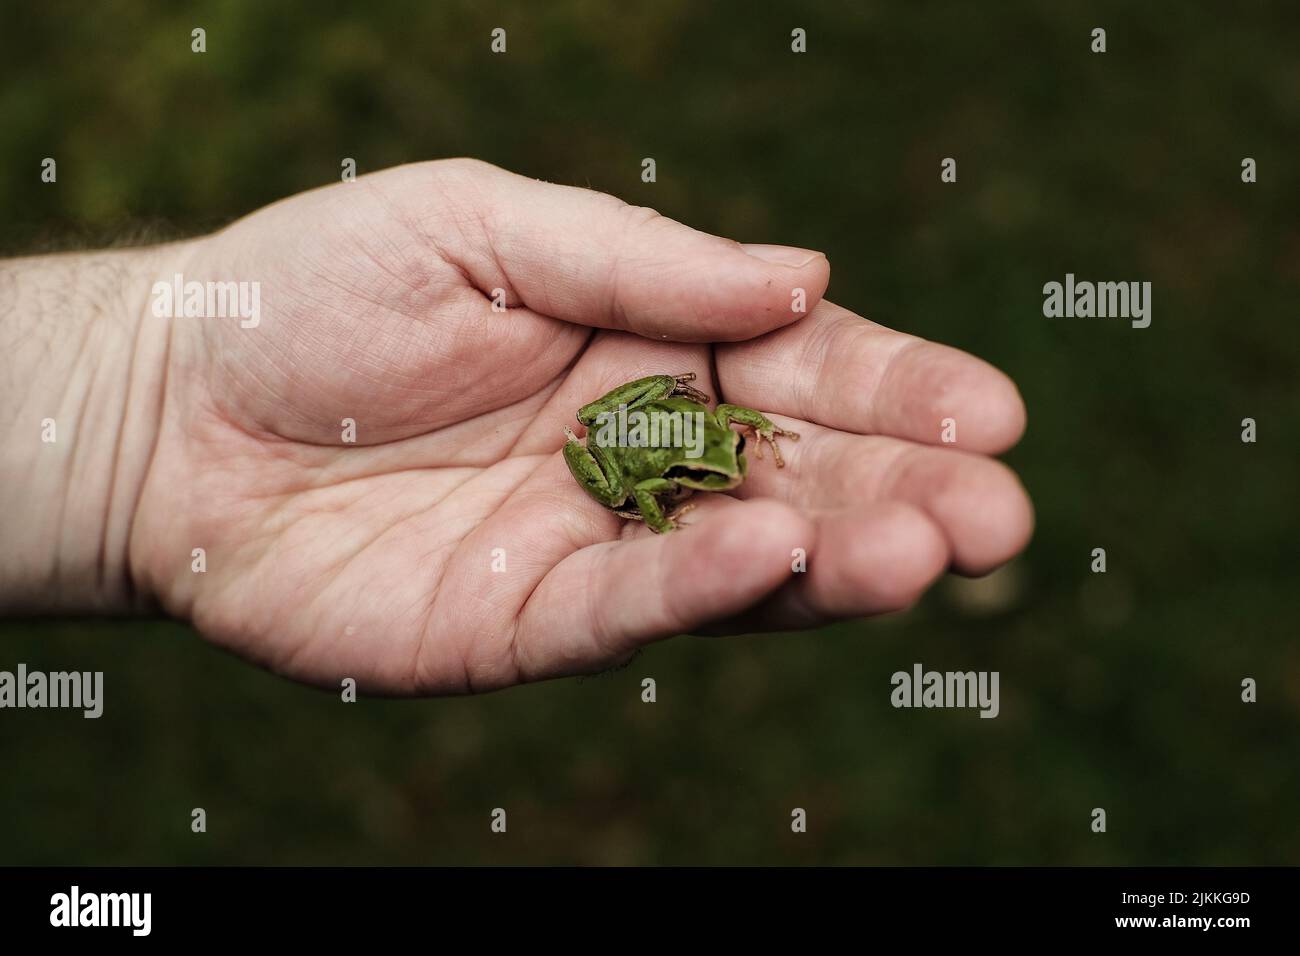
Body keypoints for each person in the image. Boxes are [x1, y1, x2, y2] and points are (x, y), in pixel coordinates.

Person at [0, 158, 1032, 694]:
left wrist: (128, 392)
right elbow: (657, 466)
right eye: (728, 449)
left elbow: (728, 427)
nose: (736, 448)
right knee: (662, 483)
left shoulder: (725, 437)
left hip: (640, 431)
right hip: (617, 453)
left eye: (732, 448)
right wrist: (141, 392)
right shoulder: (692, 464)